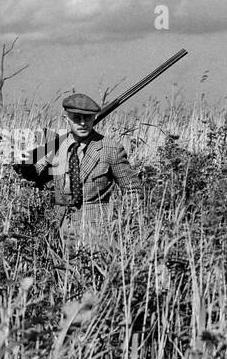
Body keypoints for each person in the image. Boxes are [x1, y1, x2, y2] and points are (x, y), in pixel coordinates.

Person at [12, 93, 140, 258]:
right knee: (62, 279)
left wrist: (127, 227)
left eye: (87, 118)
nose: (82, 123)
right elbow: (35, 178)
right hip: (58, 230)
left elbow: (133, 190)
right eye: (76, 118)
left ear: (94, 118)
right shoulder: (55, 146)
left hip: (97, 233)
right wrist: (26, 164)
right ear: (66, 119)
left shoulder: (111, 149)